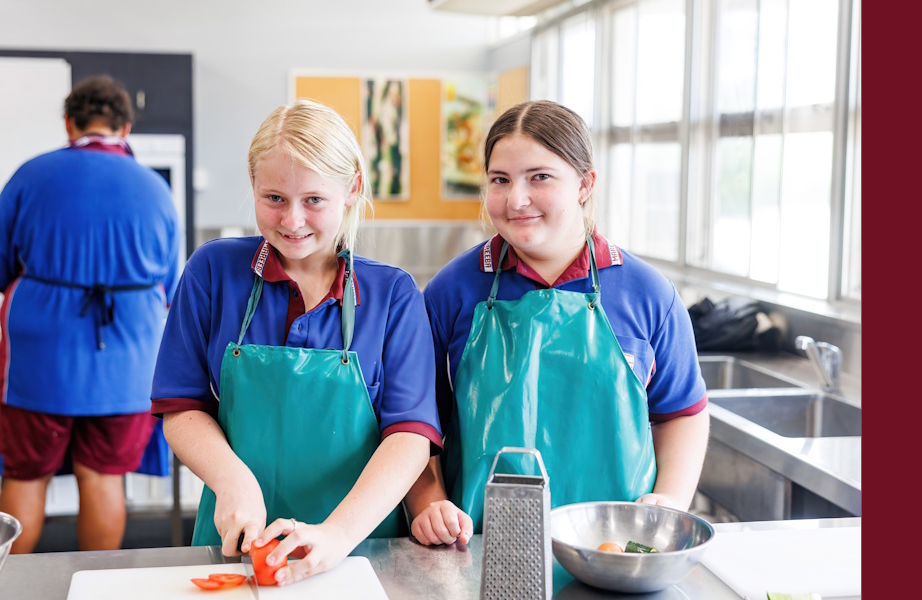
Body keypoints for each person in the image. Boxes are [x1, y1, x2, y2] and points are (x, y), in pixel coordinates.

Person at [151, 99, 439, 585]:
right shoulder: (212, 273)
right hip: (236, 544)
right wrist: (232, 479)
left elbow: (410, 438)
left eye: (314, 200)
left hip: (359, 551)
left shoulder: (393, 294)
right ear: (253, 188)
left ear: (352, 190)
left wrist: (336, 535)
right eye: (275, 199)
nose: (292, 220)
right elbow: (182, 407)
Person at [404, 100, 710, 546]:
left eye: (540, 177)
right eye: (500, 180)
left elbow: (682, 412)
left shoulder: (648, 294)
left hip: (614, 549)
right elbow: (416, 427)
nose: (516, 199)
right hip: (479, 547)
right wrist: (429, 504)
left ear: (585, 183)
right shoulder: (451, 291)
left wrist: (669, 499)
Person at [0, 75, 180, 553]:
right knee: (104, 477)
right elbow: (169, 287)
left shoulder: (30, 175)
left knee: (27, 478)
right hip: (127, 361)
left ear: (69, 123)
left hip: (41, 361)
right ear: (125, 127)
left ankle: (3, 591)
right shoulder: (154, 189)